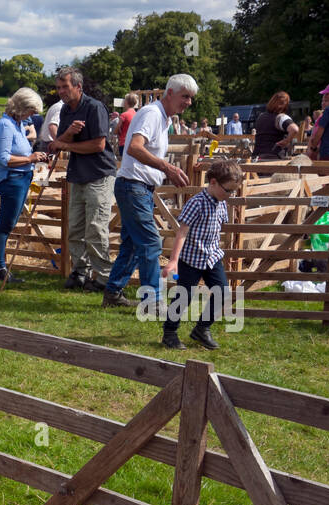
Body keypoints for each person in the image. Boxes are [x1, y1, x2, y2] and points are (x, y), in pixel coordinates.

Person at [102, 73, 196, 311]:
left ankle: (113, 292)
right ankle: (152, 300)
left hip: (136, 186)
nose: (189, 102)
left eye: (191, 98)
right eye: (185, 96)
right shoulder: (152, 114)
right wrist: (167, 167)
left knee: (133, 244)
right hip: (133, 186)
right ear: (170, 93)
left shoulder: (163, 118)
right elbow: (134, 148)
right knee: (151, 242)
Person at [160, 159, 243, 350]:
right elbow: (182, 232)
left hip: (212, 257)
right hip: (190, 259)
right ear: (213, 182)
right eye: (228, 190)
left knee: (222, 292)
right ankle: (170, 333)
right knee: (184, 296)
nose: (230, 194)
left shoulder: (221, 202)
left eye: (233, 191)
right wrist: (173, 260)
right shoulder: (196, 203)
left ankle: (202, 329)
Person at [48, 67, 116, 292]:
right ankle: (80, 271)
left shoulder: (95, 108)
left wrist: (65, 143)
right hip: (78, 175)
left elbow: (99, 145)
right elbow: (58, 142)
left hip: (98, 174)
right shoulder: (66, 111)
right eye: (58, 88)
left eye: (65, 87)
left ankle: (104, 278)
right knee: (75, 229)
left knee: (95, 228)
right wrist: (66, 136)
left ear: (78, 86)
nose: (61, 92)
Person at [0, 87, 49, 284]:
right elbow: (2, 159)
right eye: (31, 111)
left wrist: (33, 159)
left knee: (9, 223)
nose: (33, 115)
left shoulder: (17, 124)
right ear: (22, 107)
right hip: (12, 179)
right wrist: (30, 158)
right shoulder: (5, 125)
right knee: (5, 225)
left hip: (21, 177)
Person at [252, 91, 299, 160]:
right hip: (273, 157)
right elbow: (294, 129)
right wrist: (287, 140)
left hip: (257, 156)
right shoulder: (281, 118)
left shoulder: (261, 116)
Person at [116, 93, 139, 159]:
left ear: (126, 102)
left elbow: (116, 130)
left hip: (124, 142)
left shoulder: (124, 115)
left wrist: (118, 132)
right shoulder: (137, 114)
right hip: (134, 143)